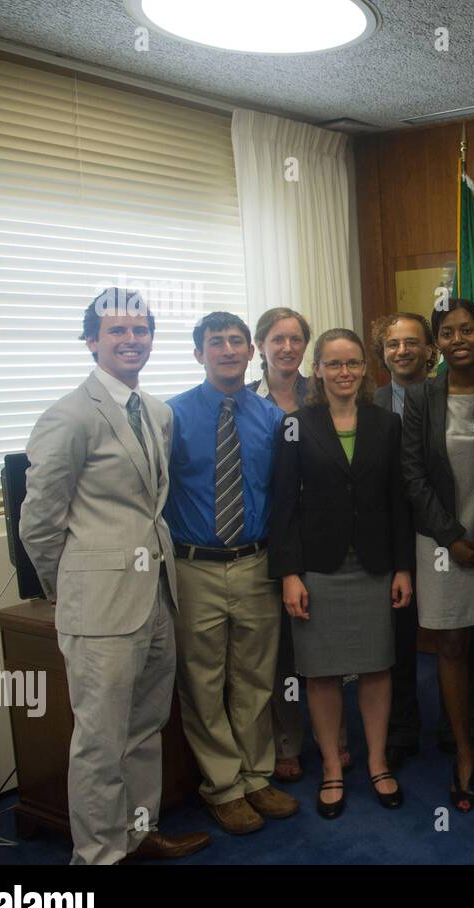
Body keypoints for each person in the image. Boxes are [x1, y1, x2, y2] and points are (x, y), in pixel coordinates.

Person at [20, 288, 210, 865]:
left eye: (141, 331)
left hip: (156, 596)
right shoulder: (69, 415)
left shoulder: (156, 411)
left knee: (145, 726)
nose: (131, 340)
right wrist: (71, 588)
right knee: (100, 742)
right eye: (117, 332)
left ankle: (138, 833)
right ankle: (98, 856)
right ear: (91, 342)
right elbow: (40, 521)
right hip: (100, 604)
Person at [270, 328, 414, 817]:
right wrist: (289, 573)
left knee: (377, 666)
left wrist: (402, 568)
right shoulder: (295, 425)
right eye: (334, 364)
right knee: (322, 672)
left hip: (374, 566)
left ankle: (377, 762)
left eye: (352, 363)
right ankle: (332, 767)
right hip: (318, 568)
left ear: (363, 368)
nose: (344, 372)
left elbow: (398, 503)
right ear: (318, 370)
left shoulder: (386, 424)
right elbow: (283, 506)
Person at [166, 312, 299, 834]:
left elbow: (287, 499)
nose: (226, 350)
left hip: (256, 564)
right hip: (194, 566)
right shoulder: (169, 417)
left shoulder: (272, 419)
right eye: (215, 342)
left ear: (251, 353)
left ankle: (255, 776)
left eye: (236, 342)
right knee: (202, 682)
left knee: (255, 680)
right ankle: (222, 787)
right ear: (198, 353)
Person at [402, 299, 474, 812]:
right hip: (443, 543)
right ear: (436, 344)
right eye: (447, 333)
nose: (458, 339)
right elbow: (413, 475)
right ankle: (465, 751)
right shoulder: (422, 397)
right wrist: (452, 537)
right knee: (449, 645)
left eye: (467, 329)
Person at [247, 307, 318, 784]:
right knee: (283, 653)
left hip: (325, 536)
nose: (287, 347)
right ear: (261, 346)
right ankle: (288, 740)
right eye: (278, 339)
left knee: (328, 644)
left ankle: (334, 736)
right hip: (270, 536)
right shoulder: (247, 402)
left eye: (295, 339)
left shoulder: (325, 392)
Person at [371, 312, 435, 770]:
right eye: (393, 345)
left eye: (412, 343)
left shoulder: (453, 394)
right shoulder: (367, 403)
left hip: (442, 532)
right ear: (382, 353)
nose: (403, 351)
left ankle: (459, 727)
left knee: (455, 639)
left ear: (430, 350)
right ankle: (402, 729)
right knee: (396, 636)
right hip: (389, 535)